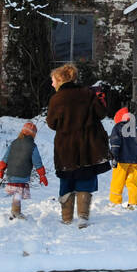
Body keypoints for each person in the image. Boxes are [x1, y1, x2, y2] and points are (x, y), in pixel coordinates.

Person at [44, 63, 110, 225]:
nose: (52, 84)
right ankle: (83, 216)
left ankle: (66, 218)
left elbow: (52, 123)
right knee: (86, 177)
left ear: (60, 80)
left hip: (66, 145)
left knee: (67, 178)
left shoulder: (56, 99)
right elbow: (101, 114)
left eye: (53, 80)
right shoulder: (87, 93)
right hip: (89, 144)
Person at [0, 121, 49, 219]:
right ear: (33, 135)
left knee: (16, 193)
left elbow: (5, 158)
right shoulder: (32, 146)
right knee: (18, 193)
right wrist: (42, 175)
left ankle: (15, 211)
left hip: (10, 173)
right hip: (22, 174)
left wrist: (0, 170)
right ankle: (16, 212)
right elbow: (37, 162)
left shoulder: (14, 143)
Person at [108, 107, 137, 209]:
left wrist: (114, 157)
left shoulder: (117, 128)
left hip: (121, 160)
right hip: (134, 161)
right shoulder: (136, 131)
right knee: (133, 182)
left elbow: (115, 143)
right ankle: (134, 202)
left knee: (118, 181)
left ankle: (115, 202)